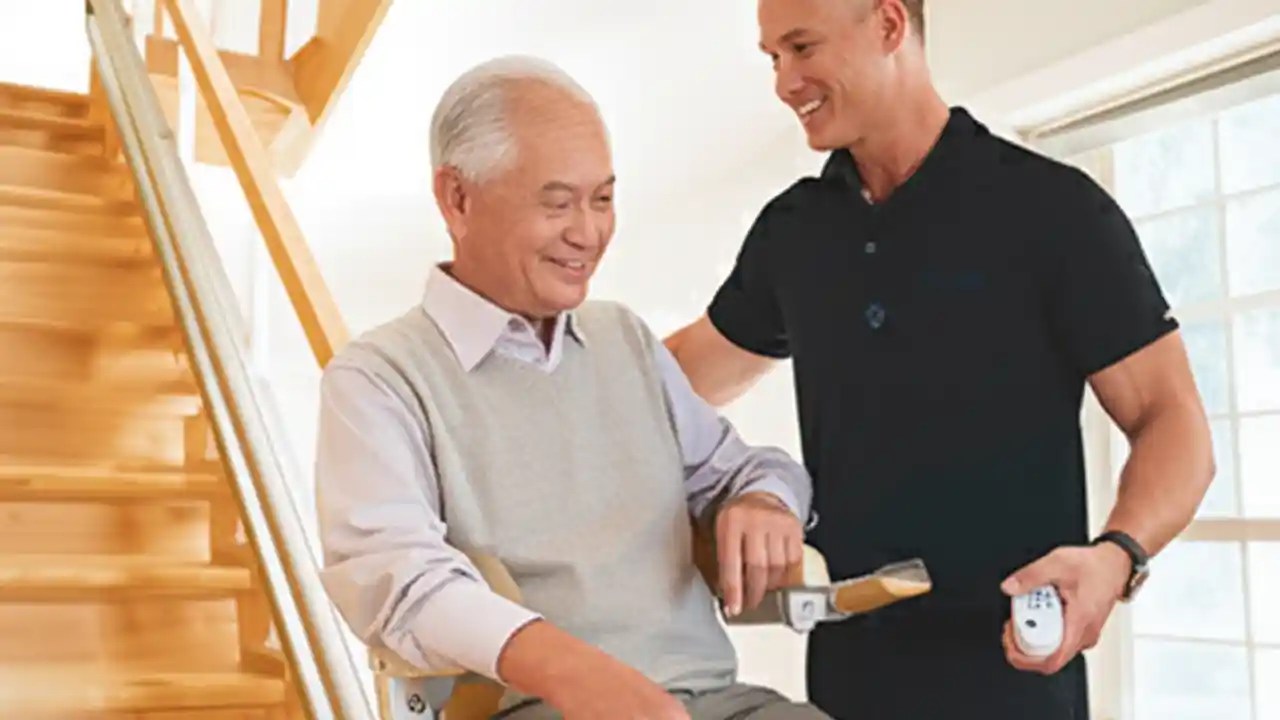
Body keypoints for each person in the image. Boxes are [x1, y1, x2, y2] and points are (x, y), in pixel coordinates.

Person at [664, 1, 1216, 718]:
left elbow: (1173, 423)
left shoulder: (1052, 210)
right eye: (773, 57)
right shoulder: (793, 234)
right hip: (847, 683)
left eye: (802, 48)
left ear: (890, 24)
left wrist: (1117, 556)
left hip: (1014, 677)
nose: (784, 82)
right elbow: (670, 385)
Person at [314, 56, 832, 720]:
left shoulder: (626, 340)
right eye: (557, 203)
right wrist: (568, 670)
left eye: (603, 199)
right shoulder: (379, 379)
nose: (588, 233)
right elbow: (396, 578)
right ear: (458, 198)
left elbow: (746, 469)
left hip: (715, 703)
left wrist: (765, 499)